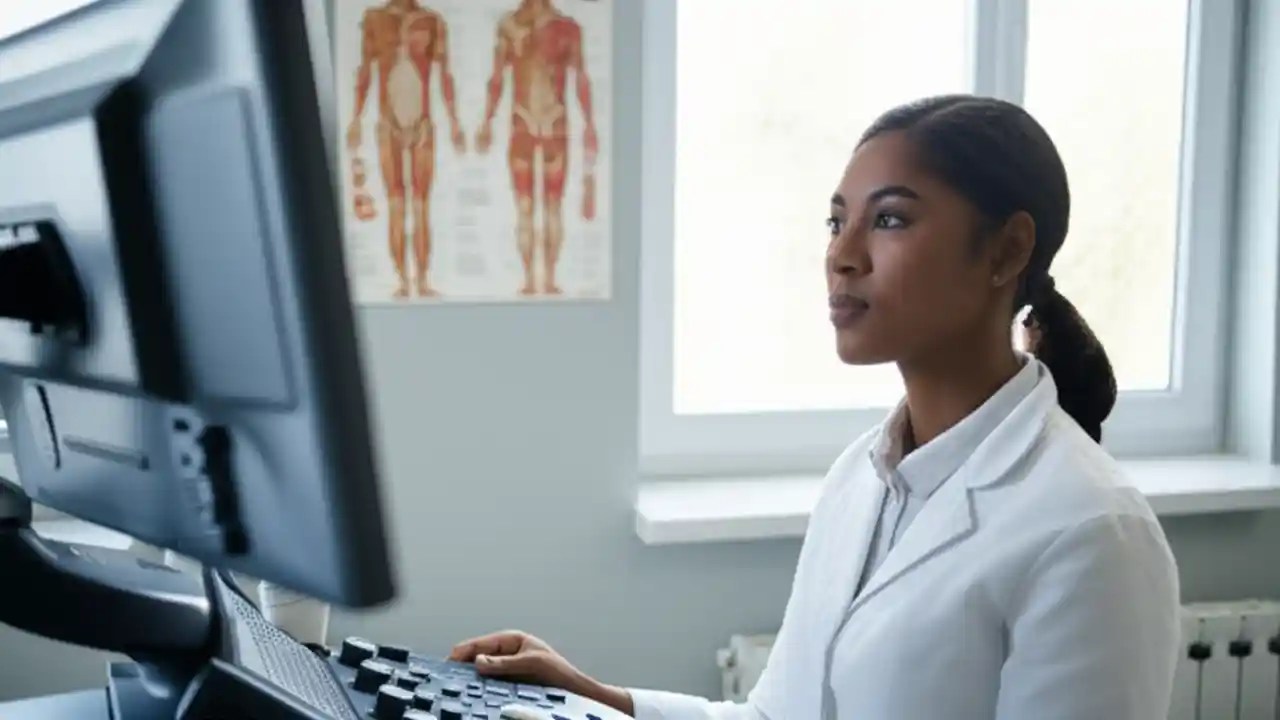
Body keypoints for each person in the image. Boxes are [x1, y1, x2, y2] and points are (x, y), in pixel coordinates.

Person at [450, 95, 1181, 719]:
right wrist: (598, 699)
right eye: (837, 223)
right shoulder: (860, 479)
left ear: (1006, 249)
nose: (844, 254)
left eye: (890, 220)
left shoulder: (1093, 533)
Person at [476, 0, 599, 296]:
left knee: (547, 207)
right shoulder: (512, 27)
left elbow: (580, 78)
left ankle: (545, 278)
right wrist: (487, 121)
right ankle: (533, 278)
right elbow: (497, 79)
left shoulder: (565, 28)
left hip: (546, 124)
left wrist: (590, 124)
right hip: (530, 125)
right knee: (529, 208)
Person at [347, 0, 466, 299]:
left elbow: (445, 75)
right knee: (397, 203)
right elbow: (364, 73)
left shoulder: (431, 21)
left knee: (421, 204)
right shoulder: (375, 19)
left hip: (423, 123)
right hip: (388, 124)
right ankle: (403, 280)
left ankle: (423, 279)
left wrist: (454, 121)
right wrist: (356, 119)